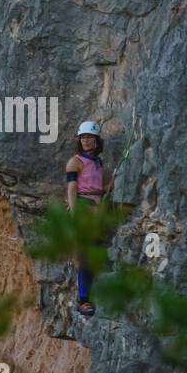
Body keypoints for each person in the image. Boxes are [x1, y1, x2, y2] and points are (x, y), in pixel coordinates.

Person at [65, 119, 109, 317]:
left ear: (96, 140)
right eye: (83, 137)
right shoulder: (75, 162)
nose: (85, 140)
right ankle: (83, 301)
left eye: (89, 137)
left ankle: (91, 295)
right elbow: (72, 188)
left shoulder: (98, 163)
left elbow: (99, 185)